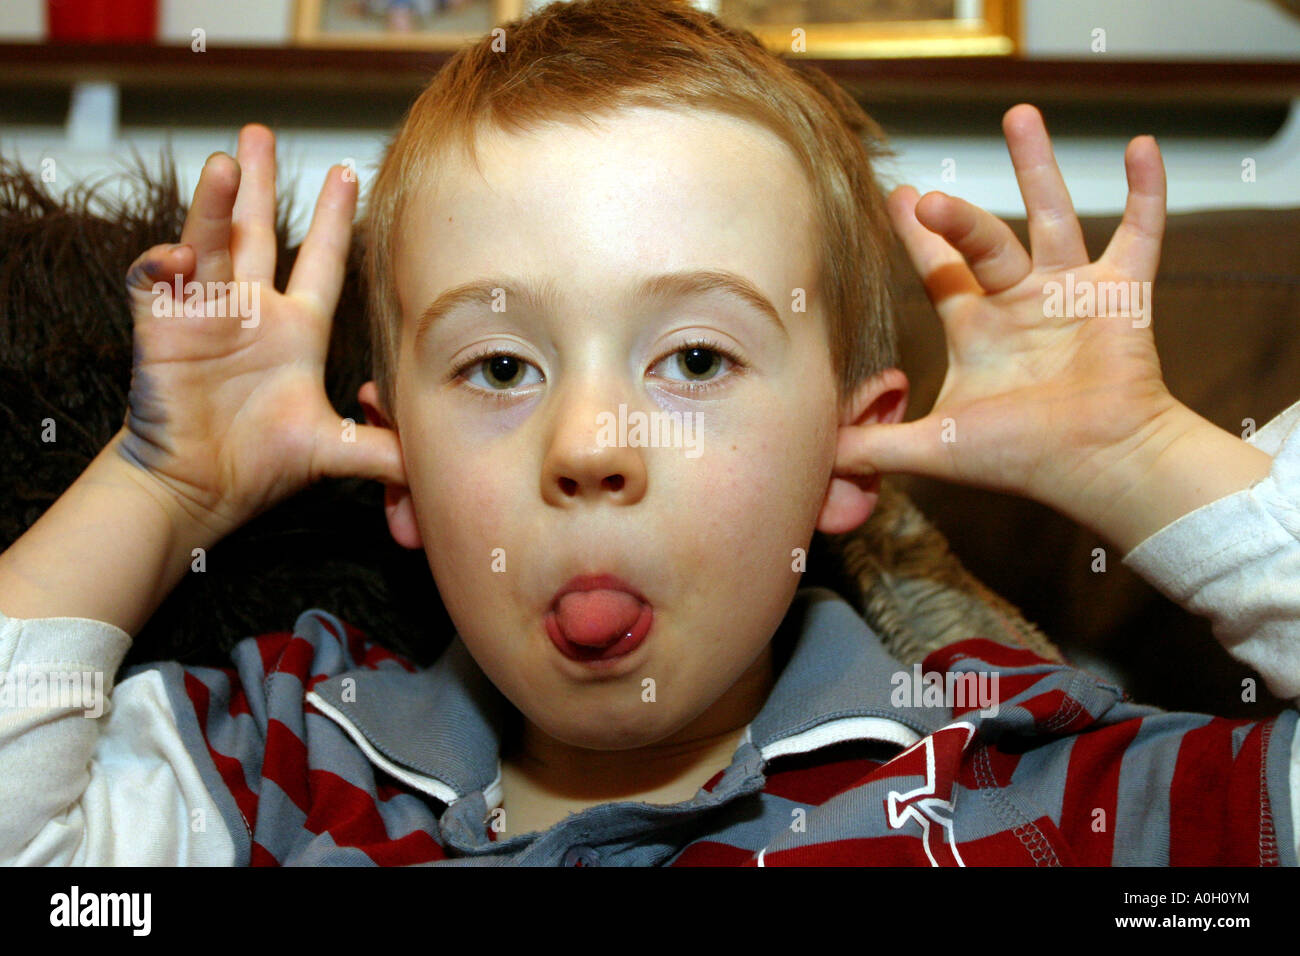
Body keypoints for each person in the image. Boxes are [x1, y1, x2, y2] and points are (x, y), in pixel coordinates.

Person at [0, 0, 1295, 865]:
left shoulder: (1016, 775)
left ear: (850, 455)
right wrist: (160, 487)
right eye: (500, 366)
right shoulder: (287, 762)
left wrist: (1138, 461)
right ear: (398, 472)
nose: (589, 444)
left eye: (695, 359)